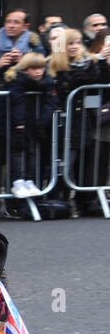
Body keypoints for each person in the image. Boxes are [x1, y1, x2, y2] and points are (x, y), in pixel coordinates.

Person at [49, 27, 110, 210]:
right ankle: (59, 199)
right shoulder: (54, 65)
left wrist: (102, 63)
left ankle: (83, 200)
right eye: (70, 43)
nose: (74, 46)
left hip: (83, 120)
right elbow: (68, 84)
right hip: (63, 121)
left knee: (83, 161)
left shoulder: (89, 63)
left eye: (77, 42)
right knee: (65, 162)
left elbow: (99, 85)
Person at [4, 52, 58, 198]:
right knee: (18, 151)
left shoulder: (47, 82)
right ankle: (18, 181)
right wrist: (19, 125)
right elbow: (18, 104)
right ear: (25, 69)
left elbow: (51, 102)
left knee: (32, 152)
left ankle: (29, 180)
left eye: (40, 68)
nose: (38, 72)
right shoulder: (18, 81)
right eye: (34, 68)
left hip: (35, 122)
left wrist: (42, 123)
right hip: (19, 123)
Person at [0, 9, 43, 73]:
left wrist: (23, 62)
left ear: (25, 26)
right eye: (8, 22)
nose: (11, 26)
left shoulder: (34, 44)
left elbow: (43, 73)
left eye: (16, 22)